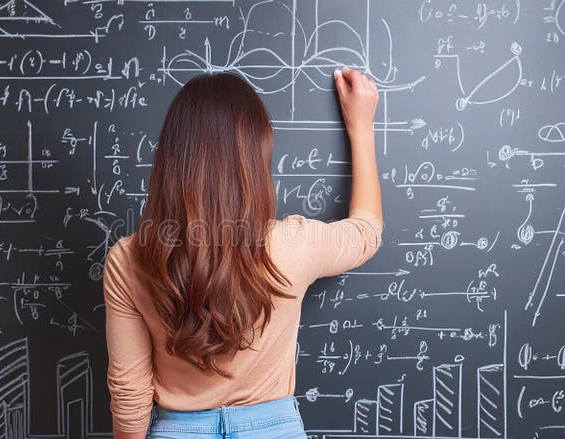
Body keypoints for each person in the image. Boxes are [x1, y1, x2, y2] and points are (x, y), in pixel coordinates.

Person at [103, 67, 384, 439]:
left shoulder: (130, 260)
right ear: (254, 161)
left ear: (171, 160)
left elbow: (130, 394)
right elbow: (366, 231)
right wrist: (361, 128)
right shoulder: (291, 245)